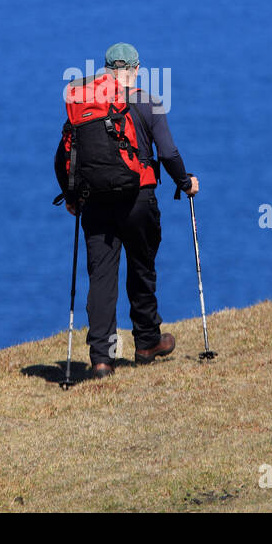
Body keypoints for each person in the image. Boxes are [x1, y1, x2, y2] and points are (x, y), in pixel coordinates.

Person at [54, 43, 199, 379]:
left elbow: (63, 157)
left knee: (102, 277)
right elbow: (168, 152)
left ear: (106, 71)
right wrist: (185, 182)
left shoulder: (86, 105)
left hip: (95, 203)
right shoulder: (149, 101)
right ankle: (147, 341)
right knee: (141, 265)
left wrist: (72, 197)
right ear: (136, 69)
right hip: (138, 198)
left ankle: (102, 360)